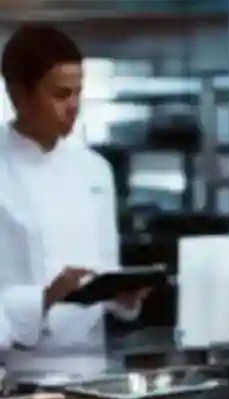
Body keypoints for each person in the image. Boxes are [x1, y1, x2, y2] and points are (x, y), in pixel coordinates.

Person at [0, 24, 146, 370]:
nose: (73, 107)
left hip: (92, 370)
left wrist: (122, 295)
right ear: (18, 94)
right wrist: (44, 298)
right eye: (60, 94)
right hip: (17, 373)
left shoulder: (95, 170)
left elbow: (106, 269)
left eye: (78, 93)